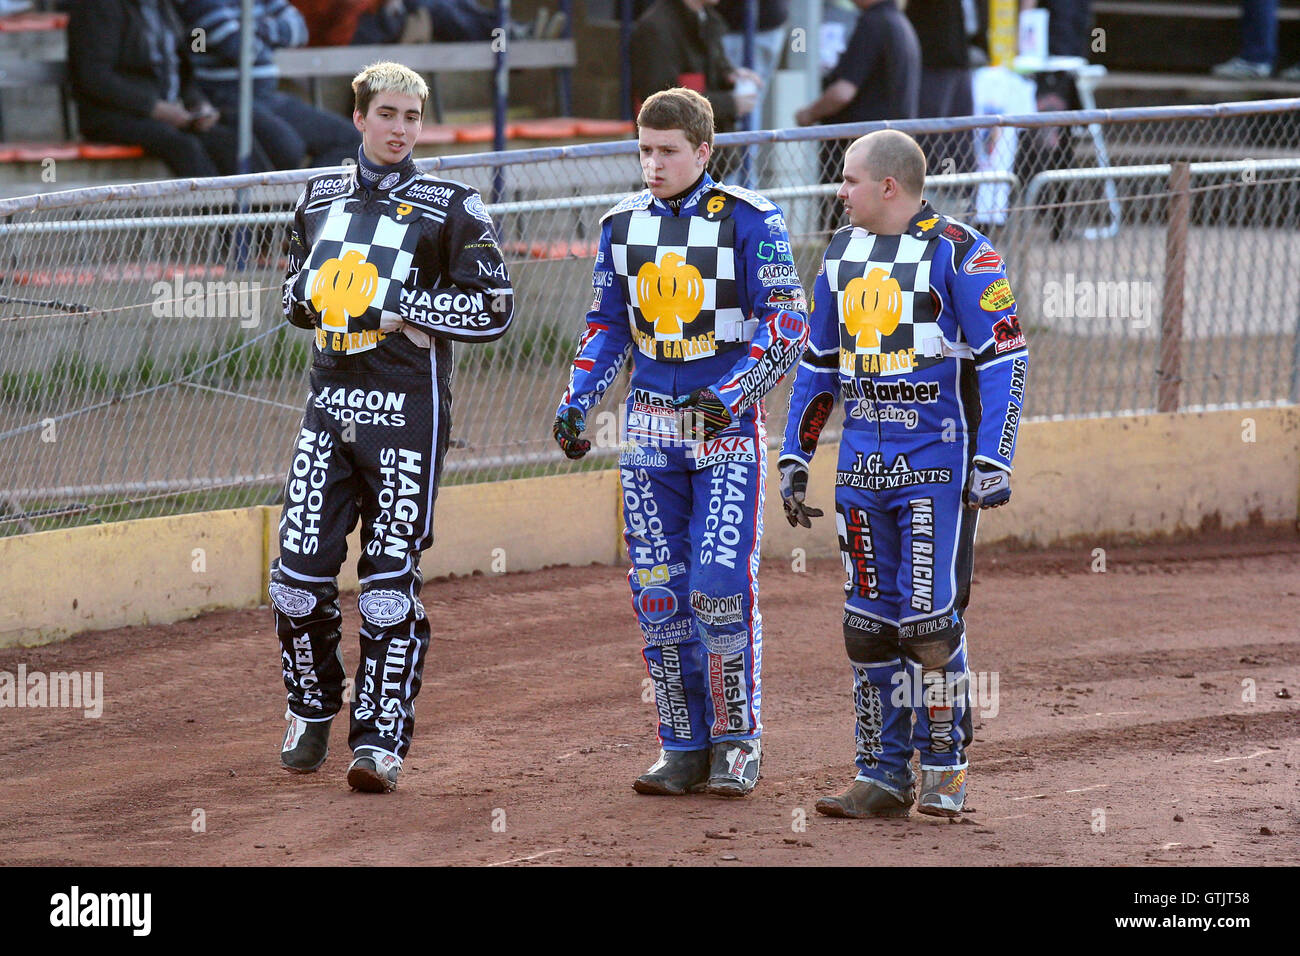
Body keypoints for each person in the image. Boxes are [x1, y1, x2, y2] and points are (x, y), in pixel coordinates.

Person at [551, 87, 808, 797]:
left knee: (719, 585)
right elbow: (605, 325)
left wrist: (730, 399)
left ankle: (737, 741)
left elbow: (789, 328)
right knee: (658, 593)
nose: (653, 164)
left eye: (667, 151)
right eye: (644, 150)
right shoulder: (620, 225)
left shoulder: (753, 220)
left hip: (721, 430)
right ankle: (681, 745)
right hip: (648, 428)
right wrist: (577, 402)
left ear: (704, 150)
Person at [272, 61, 514, 793]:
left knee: (385, 587)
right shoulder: (317, 195)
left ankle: (378, 742)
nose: (402, 129)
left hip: (408, 416)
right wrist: (318, 299)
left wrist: (409, 312)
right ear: (359, 118)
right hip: (328, 409)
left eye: (413, 116)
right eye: (388, 114)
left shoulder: (453, 204)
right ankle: (312, 708)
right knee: (294, 578)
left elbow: (496, 306)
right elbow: (290, 295)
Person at [778, 130, 1027, 818]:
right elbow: (819, 360)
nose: (840, 190)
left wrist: (993, 458)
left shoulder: (962, 251)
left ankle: (945, 768)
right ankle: (881, 775)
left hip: (935, 468)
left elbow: (1008, 356)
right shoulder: (838, 250)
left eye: (851, 179)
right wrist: (796, 453)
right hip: (859, 466)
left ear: (889, 186)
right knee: (866, 626)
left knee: (928, 625)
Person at [67, 0, 270, 178]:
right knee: (184, 146)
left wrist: (198, 104)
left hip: (167, 113)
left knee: (229, 139)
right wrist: (155, 108)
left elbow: (182, 72)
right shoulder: (98, 6)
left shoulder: (164, 6)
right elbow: (94, 77)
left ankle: (265, 216)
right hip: (111, 117)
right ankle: (213, 219)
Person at [177, 0, 360, 169]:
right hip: (225, 98)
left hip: (268, 95)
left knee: (351, 140)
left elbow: (299, 31)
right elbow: (239, 48)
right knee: (287, 149)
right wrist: (269, 33)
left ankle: (313, 199)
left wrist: (254, 29)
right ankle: (285, 200)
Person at [630, 0, 762, 134]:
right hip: (674, 146)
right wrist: (730, 104)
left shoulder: (709, 19)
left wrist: (732, 75)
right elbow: (662, 101)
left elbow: (714, 68)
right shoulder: (655, 27)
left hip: (707, 142)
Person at [794, 0, 919, 128]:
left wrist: (808, 114)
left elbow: (843, 93)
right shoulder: (900, 22)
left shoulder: (873, 22)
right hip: (893, 138)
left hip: (865, 140)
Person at [716, 0, 790, 127]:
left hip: (744, 25)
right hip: (738, 23)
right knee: (745, 98)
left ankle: (744, 143)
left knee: (745, 100)